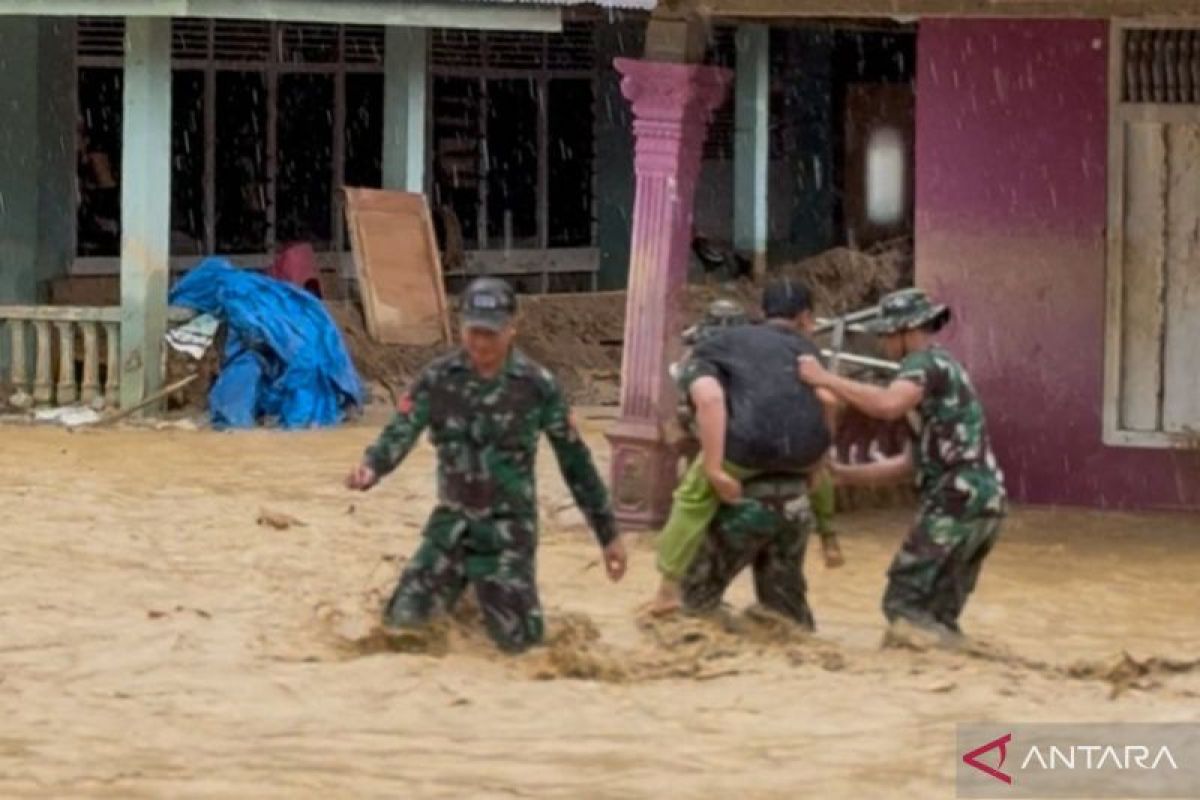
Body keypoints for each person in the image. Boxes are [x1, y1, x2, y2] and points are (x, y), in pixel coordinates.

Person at [346, 277, 627, 652]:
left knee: (523, 654)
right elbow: (402, 429)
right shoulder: (438, 379)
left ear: (512, 328)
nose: (480, 344)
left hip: (507, 536)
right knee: (399, 634)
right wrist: (372, 466)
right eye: (473, 332)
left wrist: (608, 534)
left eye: (491, 334)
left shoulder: (536, 387)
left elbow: (575, 462)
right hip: (451, 528)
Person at [797, 288, 1006, 645]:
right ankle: (957, 666)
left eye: (887, 335)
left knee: (903, 602)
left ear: (907, 331)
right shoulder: (946, 371)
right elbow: (911, 464)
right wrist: (846, 475)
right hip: (986, 504)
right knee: (937, 613)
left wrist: (825, 378)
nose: (884, 344)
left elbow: (887, 405)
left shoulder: (922, 364)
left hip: (955, 499)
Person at [648, 279, 839, 615]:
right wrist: (815, 460)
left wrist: (714, 468)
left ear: (762, 312)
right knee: (786, 615)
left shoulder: (713, 351)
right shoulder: (806, 350)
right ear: (806, 318)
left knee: (692, 496)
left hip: (746, 455)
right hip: (802, 465)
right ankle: (829, 538)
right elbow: (828, 400)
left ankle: (666, 590)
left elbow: (709, 400)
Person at [680, 472, 818, 630]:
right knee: (785, 607)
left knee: (694, 599)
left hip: (744, 506)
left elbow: (707, 476)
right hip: (796, 508)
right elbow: (817, 479)